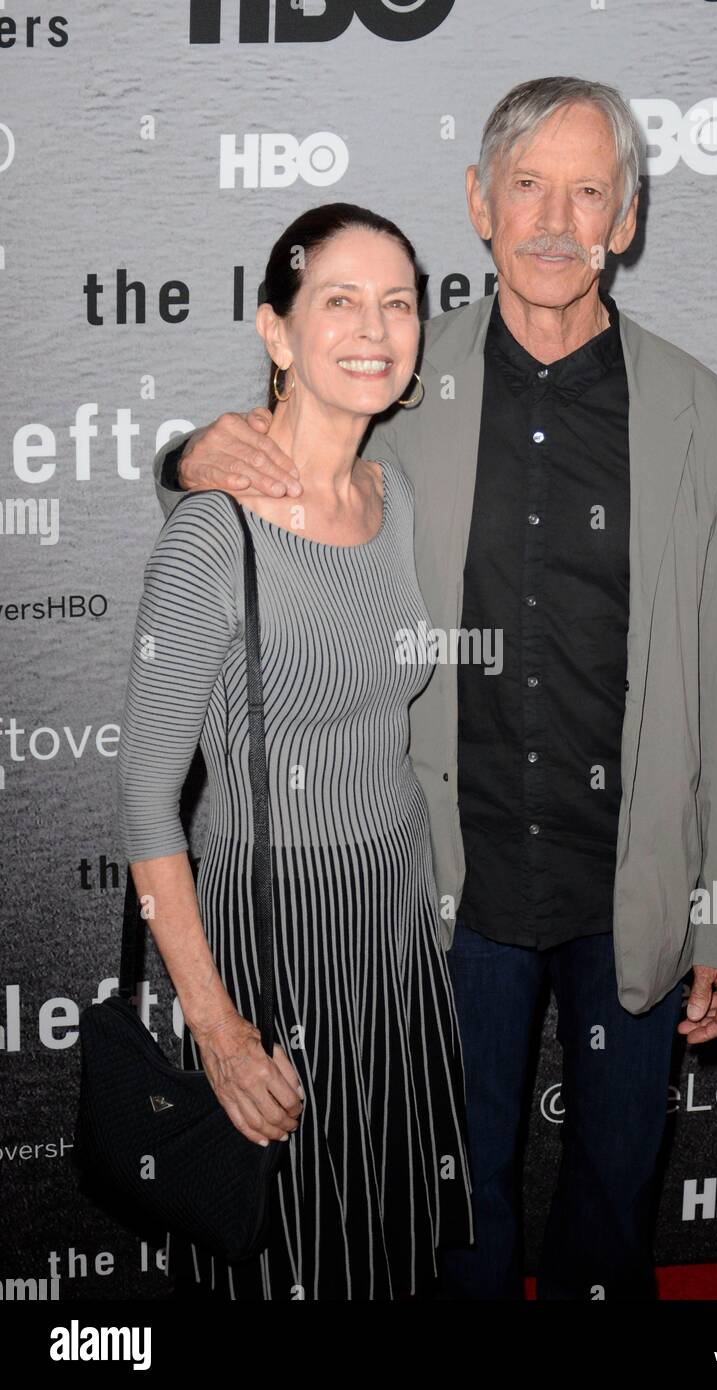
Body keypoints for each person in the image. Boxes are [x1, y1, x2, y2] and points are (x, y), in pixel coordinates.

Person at [151, 77, 717, 1300]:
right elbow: (256, 451)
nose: (554, 218)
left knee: (613, 1204)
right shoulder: (393, 376)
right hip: (444, 888)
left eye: (586, 190)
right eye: (527, 186)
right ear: (477, 204)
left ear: (628, 217)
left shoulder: (701, 416)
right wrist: (176, 454)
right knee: (458, 1220)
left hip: (629, 880)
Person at [117, 203, 474, 1302]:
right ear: (276, 333)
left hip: (395, 932)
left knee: (383, 1240)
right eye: (339, 300)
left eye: (398, 302)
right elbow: (140, 800)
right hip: (270, 938)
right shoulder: (211, 529)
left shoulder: (394, 493)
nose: (375, 326)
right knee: (283, 1255)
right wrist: (218, 1032)